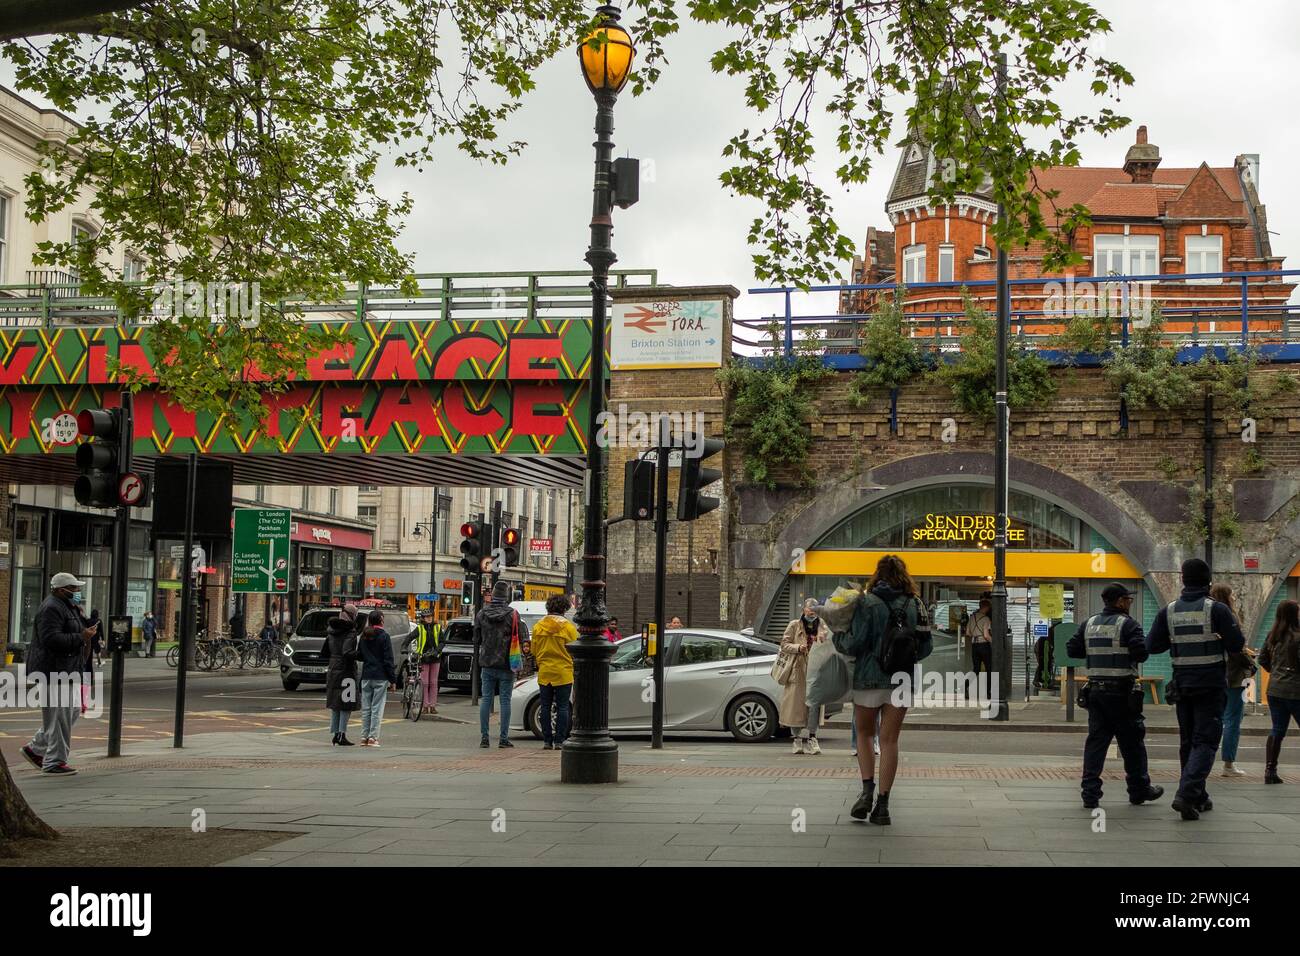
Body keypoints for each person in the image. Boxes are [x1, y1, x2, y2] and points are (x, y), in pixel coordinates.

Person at [833, 555, 932, 825]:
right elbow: (926, 647)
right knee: (889, 741)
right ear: (904, 575)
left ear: (877, 575)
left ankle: (866, 792)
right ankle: (883, 806)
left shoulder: (866, 603)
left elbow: (854, 643)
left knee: (865, 734)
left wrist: (837, 636)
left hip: (868, 678)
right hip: (901, 681)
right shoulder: (916, 604)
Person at [1146, 558, 1245, 820]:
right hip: (1211, 685)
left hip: (1182, 685)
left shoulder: (1168, 611)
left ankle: (1197, 796)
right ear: (1208, 581)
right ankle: (1187, 793)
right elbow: (1236, 645)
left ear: (1182, 580)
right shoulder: (1217, 610)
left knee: (1188, 740)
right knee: (1206, 740)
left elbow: (1152, 646)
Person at [1066, 583, 1163, 810]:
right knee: (1132, 744)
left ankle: (1090, 794)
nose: (1130, 603)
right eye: (1128, 599)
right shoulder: (1128, 625)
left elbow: (1073, 650)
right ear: (1119, 601)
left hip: (1096, 693)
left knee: (1096, 744)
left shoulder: (1089, 624)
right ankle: (1139, 790)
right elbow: (1141, 653)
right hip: (1122, 694)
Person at [20, 572, 96, 776]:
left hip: (67, 668)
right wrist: (82, 636)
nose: (78, 591)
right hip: (53, 670)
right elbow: (51, 639)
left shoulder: (66, 606)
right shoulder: (51, 608)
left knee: (68, 713)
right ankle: (54, 761)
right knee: (60, 716)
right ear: (62, 590)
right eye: (74, 588)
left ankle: (35, 749)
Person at [475, 580, 529, 748]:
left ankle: (485, 738)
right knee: (505, 700)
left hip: (487, 663)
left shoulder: (482, 613)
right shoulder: (513, 614)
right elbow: (521, 637)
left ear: (493, 595)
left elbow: (476, 639)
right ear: (506, 596)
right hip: (507, 663)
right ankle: (503, 739)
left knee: (486, 700)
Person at [1211, 584, 1255, 777]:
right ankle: (1229, 765)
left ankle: (1203, 761)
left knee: (1214, 719)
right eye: (1232, 595)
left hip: (1214, 676)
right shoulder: (1230, 617)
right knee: (1233, 720)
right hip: (1235, 677)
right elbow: (1236, 649)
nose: (1234, 599)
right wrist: (1251, 664)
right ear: (1227, 597)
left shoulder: (1208, 617)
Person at [780, 599, 831, 755]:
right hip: (799, 670)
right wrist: (798, 647)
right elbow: (784, 644)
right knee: (797, 707)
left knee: (814, 706)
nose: (812, 612)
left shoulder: (823, 625)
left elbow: (830, 646)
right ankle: (796, 739)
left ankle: (812, 738)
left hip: (816, 670)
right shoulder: (794, 625)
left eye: (815, 609)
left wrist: (823, 641)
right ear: (804, 610)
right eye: (809, 609)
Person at [1258, 599, 1300, 785]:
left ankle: (1270, 769)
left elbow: (1262, 659)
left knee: (1277, 729)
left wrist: (1275, 673)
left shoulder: (1271, 636)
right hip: (1296, 690)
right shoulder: (1298, 637)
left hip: (1274, 689)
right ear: (1294, 615)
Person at [531, 594, 579, 749]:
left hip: (545, 672)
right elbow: (575, 649)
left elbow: (534, 650)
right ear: (564, 608)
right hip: (563, 672)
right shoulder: (568, 628)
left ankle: (547, 740)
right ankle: (559, 740)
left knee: (545, 706)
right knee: (563, 707)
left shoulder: (538, 626)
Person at [357, 609, 398, 746]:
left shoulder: (364, 635)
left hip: (366, 675)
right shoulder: (384, 636)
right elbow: (388, 660)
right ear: (381, 619)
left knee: (366, 708)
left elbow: (360, 655)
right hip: (380, 676)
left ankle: (364, 737)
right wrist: (392, 680)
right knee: (377, 708)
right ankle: (373, 737)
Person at [325, 605, 360, 746]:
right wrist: (359, 654)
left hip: (333, 668)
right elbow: (347, 652)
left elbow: (326, 650)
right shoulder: (350, 631)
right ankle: (342, 735)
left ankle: (335, 734)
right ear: (352, 615)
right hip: (346, 670)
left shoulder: (331, 630)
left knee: (335, 704)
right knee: (346, 703)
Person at [413, 608, 443, 716]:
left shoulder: (438, 627)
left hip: (435, 658)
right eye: (426, 617)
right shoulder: (419, 628)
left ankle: (433, 706)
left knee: (433, 683)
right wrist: (403, 646)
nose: (429, 618)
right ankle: (425, 706)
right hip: (424, 658)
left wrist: (437, 651)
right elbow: (409, 637)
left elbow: (442, 642)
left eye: (430, 616)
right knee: (424, 683)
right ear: (423, 618)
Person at [967, 598, 993, 695]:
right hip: (984, 646)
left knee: (976, 669)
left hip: (974, 646)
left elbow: (968, 633)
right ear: (986, 607)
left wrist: (975, 634)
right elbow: (986, 635)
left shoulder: (972, 617)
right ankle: (988, 692)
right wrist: (993, 642)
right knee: (989, 668)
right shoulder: (986, 619)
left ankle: (965, 686)